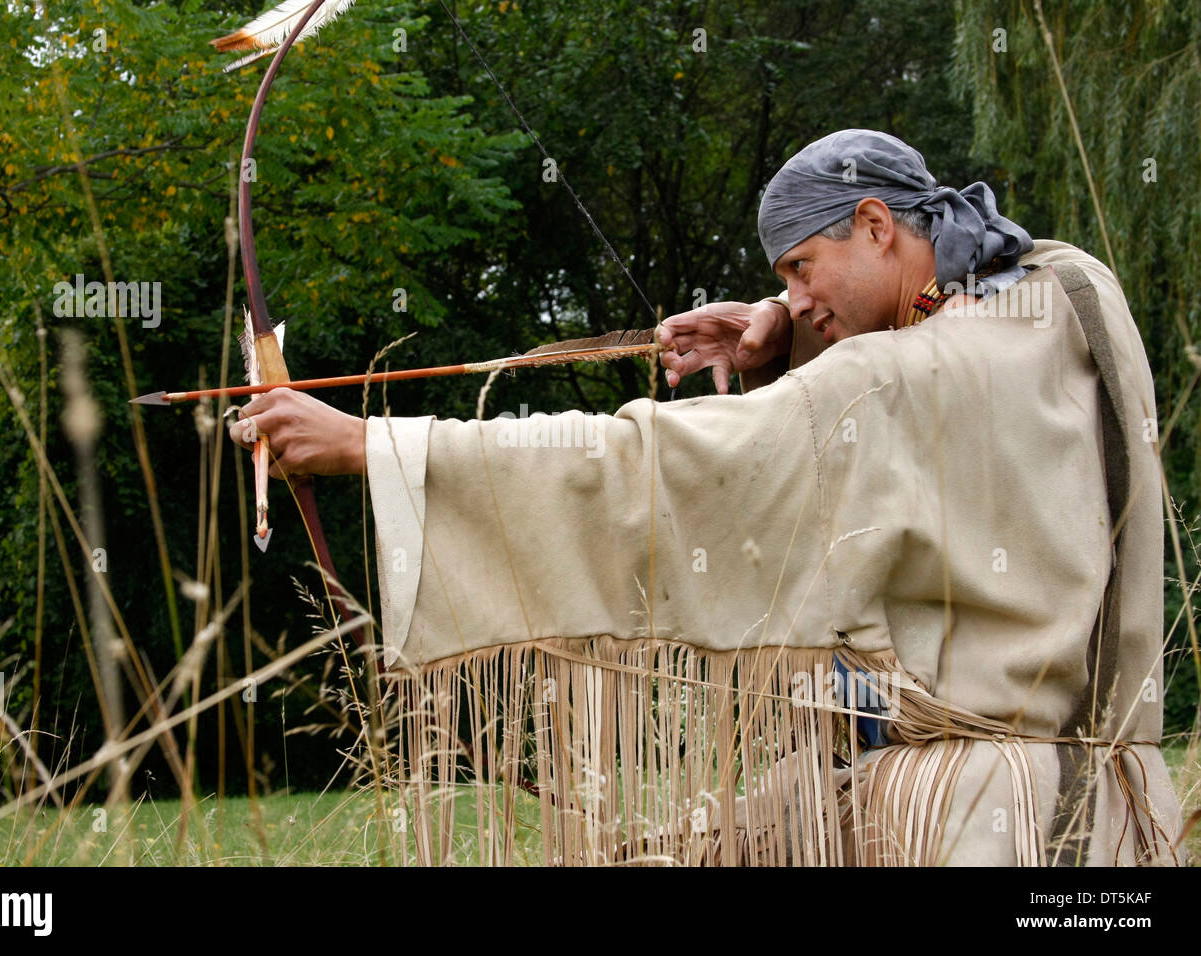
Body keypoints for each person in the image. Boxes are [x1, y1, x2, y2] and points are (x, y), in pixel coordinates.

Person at [229, 129, 1184, 866]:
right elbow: (982, 289)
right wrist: (792, 328)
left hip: (982, 824)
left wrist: (373, 447)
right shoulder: (1068, 294)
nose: (799, 297)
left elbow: (642, 465)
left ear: (879, 227)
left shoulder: (889, 382)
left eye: (801, 270)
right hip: (1122, 814)